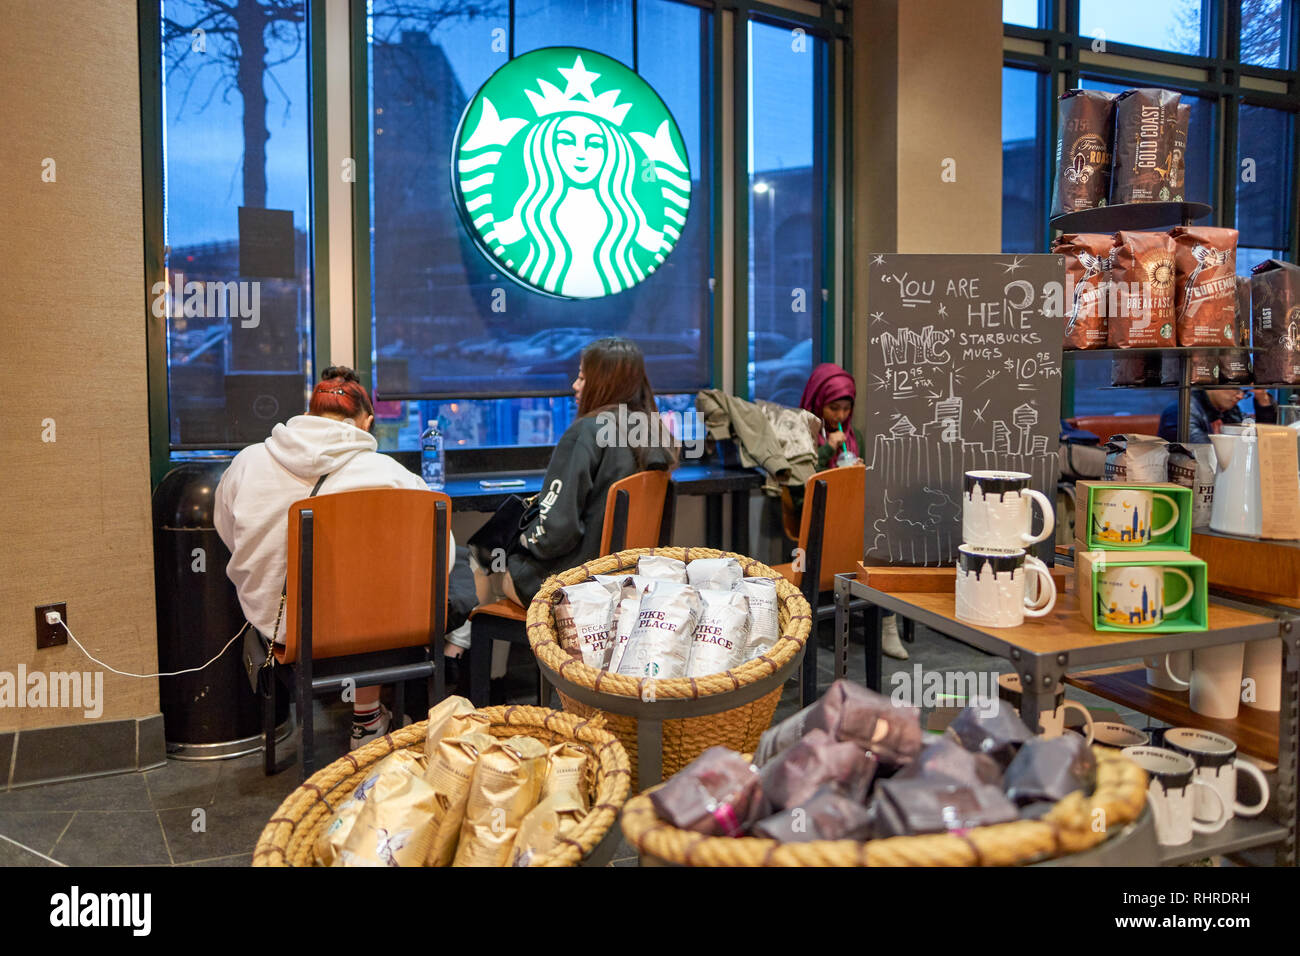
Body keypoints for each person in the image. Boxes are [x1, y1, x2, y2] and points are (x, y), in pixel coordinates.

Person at [214, 367, 451, 750]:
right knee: (375, 587)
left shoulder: (248, 462)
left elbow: (228, 533)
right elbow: (442, 557)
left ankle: (366, 717)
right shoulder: (393, 476)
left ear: (307, 416)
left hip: (285, 628)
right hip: (376, 629)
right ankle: (369, 718)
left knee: (354, 594)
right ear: (367, 423)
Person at [449, 338, 677, 687]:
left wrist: (520, 540)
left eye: (583, 377)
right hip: (626, 580)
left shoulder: (585, 433)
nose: (575, 385)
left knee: (481, 556)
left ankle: (472, 672)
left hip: (573, 586)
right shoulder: (651, 432)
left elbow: (556, 533)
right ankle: (499, 674)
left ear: (604, 383)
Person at [797, 363, 909, 661]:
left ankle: (887, 624)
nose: (841, 416)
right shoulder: (800, 434)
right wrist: (826, 453)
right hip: (818, 523)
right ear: (819, 403)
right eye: (834, 408)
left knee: (884, 538)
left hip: (853, 519)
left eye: (847, 409)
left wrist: (859, 473)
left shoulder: (854, 434)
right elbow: (800, 486)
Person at [1158, 388, 1276, 444]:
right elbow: (1203, 452)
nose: (1240, 397)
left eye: (1244, 392)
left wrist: (1262, 398)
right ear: (1215, 383)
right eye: (1236, 389)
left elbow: (1260, 439)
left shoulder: (1230, 410)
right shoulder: (1181, 410)